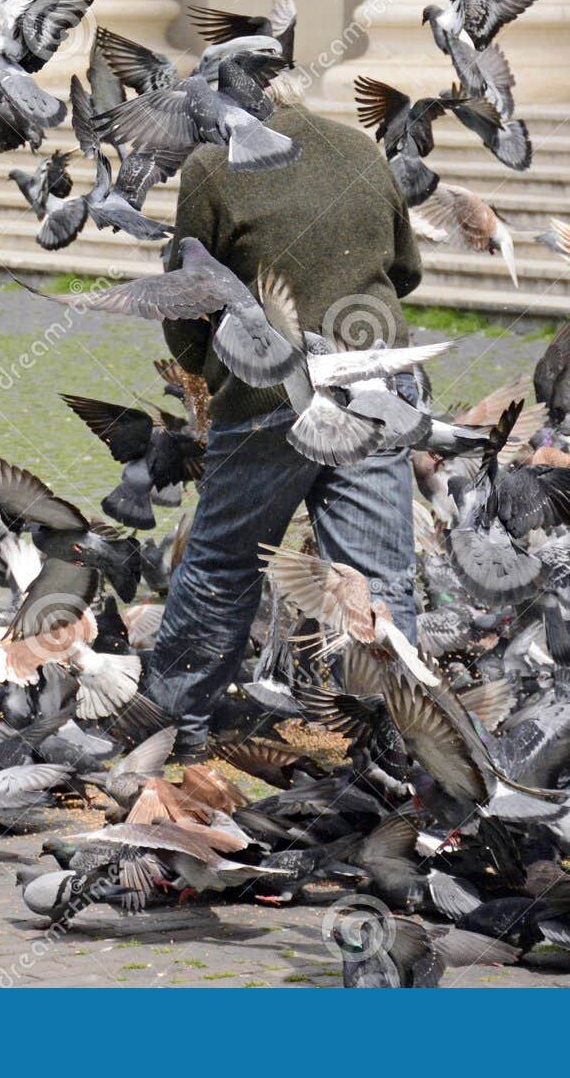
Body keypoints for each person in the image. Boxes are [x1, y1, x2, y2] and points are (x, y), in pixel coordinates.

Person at [142, 93, 423, 760]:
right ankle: (399, 744)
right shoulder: (359, 147)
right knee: (377, 576)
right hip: (374, 373)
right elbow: (404, 269)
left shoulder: (212, 164)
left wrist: (202, 374)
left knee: (222, 562)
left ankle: (171, 735)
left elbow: (187, 298)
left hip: (272, 389)